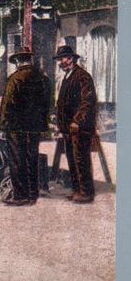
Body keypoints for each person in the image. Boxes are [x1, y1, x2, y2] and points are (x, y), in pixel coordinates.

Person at [0, 47, 51, 206]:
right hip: (34, 127)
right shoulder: (43, 78)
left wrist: (2, 127)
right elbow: (47, 103)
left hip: (16, 126)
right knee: (32, 158)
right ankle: (32, 195)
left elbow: (7, 104)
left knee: (17, 160)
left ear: (18, 61)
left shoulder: (15, 78)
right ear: (30, 60)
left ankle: (20, 196)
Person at [55, 45, 98, 203]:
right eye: (59, 59)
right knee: (72, 160)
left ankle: (86, 193)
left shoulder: (82, 76)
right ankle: (77, 190)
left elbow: (88, 102)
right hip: (68, 128)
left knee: (81, 160)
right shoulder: (67, 76)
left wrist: (77, 121)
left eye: (62, 59)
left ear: (71, 59)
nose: (60, 62)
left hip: (80, 128)